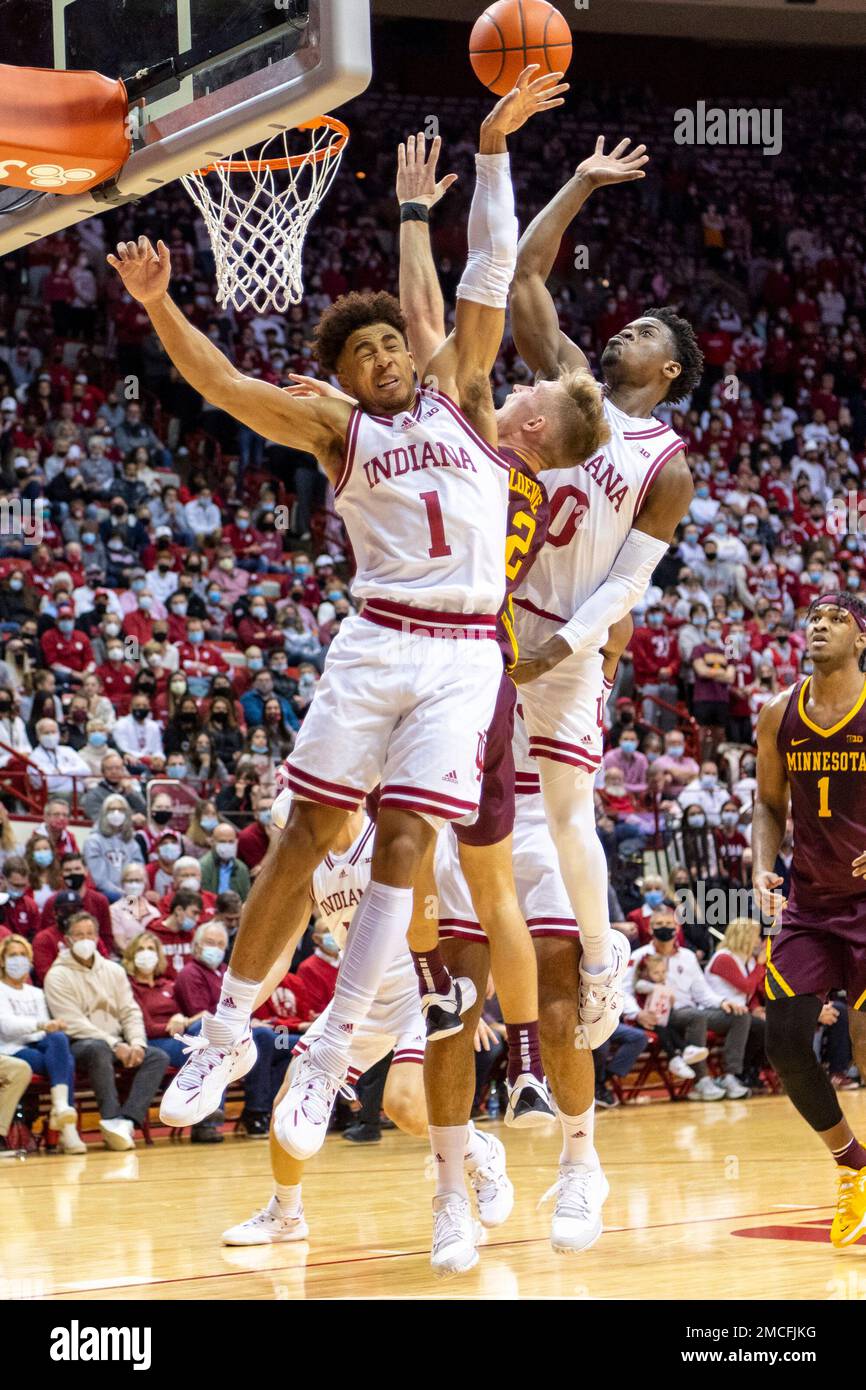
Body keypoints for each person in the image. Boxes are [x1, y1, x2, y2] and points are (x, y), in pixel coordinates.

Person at [142, 74, 571, 1137]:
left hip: (468, 651)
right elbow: (227, 389)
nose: (381, 357)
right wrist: (158, 306)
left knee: (402, 848)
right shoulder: (338, 431)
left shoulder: (467, 396)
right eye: (359, 353)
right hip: (378, 639)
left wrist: (489, 148)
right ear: (340, 374)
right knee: (308, 835)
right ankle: (226, 1028)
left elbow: (485, 268)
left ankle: (330, 1048)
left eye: (389, 344)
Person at [508, 135, 701, 1049]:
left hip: (568, 645)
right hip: (494, 617)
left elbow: (629, 581)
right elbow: (523, 281)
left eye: (647, 335)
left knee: (564, 810)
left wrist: (560, 648)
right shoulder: (571, 388)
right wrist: (580, 181)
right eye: (626, 326)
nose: (626, 331)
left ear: (668, 370)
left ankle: (599, 953)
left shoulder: (666, 463)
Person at [222, 806, 510, 1253]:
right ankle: (286, 1212)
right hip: (359, 1001)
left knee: (406, 1106)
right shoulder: (310, 863)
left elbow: (456, 901)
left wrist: (473, 991)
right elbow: (278, 954)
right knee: (287, 1107)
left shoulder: (390, 832)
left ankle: (480, 1152)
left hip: (421, 988)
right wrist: (231, 1014)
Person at [752, 593, 866, 1247]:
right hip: (812, 906)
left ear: (860, 641)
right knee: (786, 1039)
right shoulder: (778, 713)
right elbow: (768, 803)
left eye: (837, 620)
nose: (819, 626)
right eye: (813, 618)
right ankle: (852, 1165)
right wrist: (762, 866)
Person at [43, 911, 168, 1150]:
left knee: (157, 1056)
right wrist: (114, 1044)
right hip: (80, 1044)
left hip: (118, 1041)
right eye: (79, 935)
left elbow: (129, 1011)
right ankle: (110, 1119)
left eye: (90, 934)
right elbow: (72, 1021)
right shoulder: (56, 975)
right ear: (68, 940)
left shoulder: (114, 970)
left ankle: (127, 1121)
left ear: (98, 936)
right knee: (98, 1049)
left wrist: (137, 1043)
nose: (85, 939)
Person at [172, 921, 289, 1137]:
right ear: (197, 945)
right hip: (200, 1034)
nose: (214, 948)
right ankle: (208, 1116)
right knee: (220, 1035)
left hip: (237, 1031)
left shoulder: (227, 972)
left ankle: (259, 1112)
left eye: (219, 944)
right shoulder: (190, 973)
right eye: (210, 942)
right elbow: (200, 1016)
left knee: (277, 1041)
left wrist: (251, 1022)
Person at [624, 913, 751, 1101]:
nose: (664, 927)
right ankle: (702, 1081)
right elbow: (624, 990)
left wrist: (723, 1002)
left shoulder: (688, 956)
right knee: (695, 1016)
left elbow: (703, 992)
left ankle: (730, 1076)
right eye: (659, 923)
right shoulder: (639, 956)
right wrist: (637, 1014)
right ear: (650, 929)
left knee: (739, 1016)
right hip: (662, 1014)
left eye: (669, 923)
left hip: (691, 1011)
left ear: (677, 928)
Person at [123, 931, 222, 1143]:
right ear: (131, 956)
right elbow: (145, 1027)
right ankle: (205, 1111)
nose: (146, 954)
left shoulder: (168, 984)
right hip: (152, 1042)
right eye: (141, 949)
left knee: (209, 1037)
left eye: (151, 949)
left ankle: (205, 1112)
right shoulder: (128, 986)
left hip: (180, 1038)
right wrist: (179, 1024)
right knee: (204, 1046)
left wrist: (188, 1020)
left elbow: (185, 1016)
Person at [0, 934, 86, 1152]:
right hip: (11, 1050)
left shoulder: (36, 993)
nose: (17, 960)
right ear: (2, 960)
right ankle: (67, 1128)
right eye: (12, 955)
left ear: (30, 961)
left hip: (35, 1045)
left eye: (22, 955)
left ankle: (60, 1108)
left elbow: (42, 1031)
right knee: (65, 1060)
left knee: (59, 1039)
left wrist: (46, 1028)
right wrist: (41, 1025)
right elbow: (7, 1027)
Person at [82, 794, 144, 902]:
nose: (116, 813)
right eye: (112, 809)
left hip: (130, 893)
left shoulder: (132, 842)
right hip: (104, 894)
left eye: (121, 809)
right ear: (104, 813)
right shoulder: (93, 841)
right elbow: (99, 879)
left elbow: (139, 872)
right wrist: (121, 894)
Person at [110, 861, 162, 953]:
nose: (134, 884)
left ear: (144, 883)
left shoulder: (154, 912)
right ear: (122, 884)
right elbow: (119, 942)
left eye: (138, 881)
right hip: (125, 958)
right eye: (130, 881)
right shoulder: (114, 910)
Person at [198, 822, 251, 901]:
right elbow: (204, 898)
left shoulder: (242, 869)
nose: (227, 845)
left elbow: (246, 898)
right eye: (222, 841)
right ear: (213, 842)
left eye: (231, 842)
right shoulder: (203, 866)